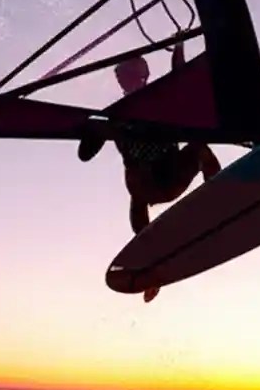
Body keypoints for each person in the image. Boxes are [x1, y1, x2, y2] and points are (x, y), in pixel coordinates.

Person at [77, 45, 221, 302]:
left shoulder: (161, 99)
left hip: (172, 172)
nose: (135, 81)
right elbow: (85, 154)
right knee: (136, 181)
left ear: (144, 75)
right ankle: (152, 261)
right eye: (129, 77)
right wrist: (95, 128)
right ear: (122, 80)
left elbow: (181, 77)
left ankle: (220, 196)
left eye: (138, 75)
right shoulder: (115, 115)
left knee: (199, 149)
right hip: (146, 185)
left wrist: (179, 46)